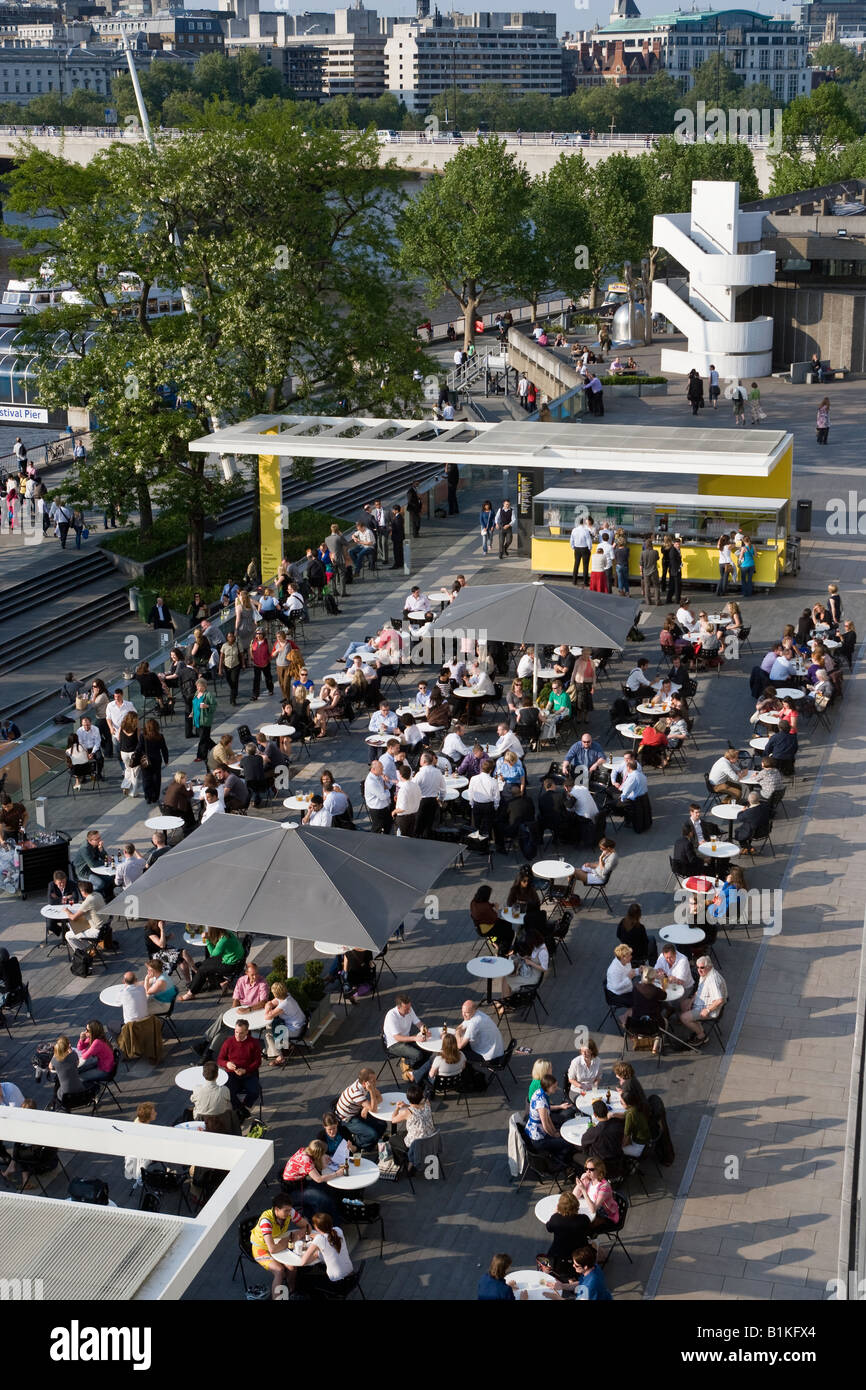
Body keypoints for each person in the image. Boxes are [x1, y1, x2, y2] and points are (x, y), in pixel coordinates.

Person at [250, 1197, 310, 1300]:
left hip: (278, 1243)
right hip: (261, 1249)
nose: (289, 1213)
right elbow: (272, 1249)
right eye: (286, 1211)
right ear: (276, 1209)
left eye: (290, 1210)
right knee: (279, 1270)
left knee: (292, 1267)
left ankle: (291, 1292)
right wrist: (289, 1239)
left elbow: (307, 1227)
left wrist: (297, 1235)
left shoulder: (290, 1211)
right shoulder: (266, 1221)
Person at [180, 927, 245, 999]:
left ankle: (191, 993)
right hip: (236, 961)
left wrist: (207, 940)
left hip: (231, 965)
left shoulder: (223, 941)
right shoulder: (227, 932)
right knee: (205, 964)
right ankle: (222, 982)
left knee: (203, 969)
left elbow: (213, 954)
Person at [525, 1073, 575, 1164]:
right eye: (554, 1087)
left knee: (560, 1133)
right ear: (547, 1087)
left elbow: (547, 1118)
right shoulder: (542, 1103)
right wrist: (553, 1134)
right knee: (568, 1143)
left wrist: (555, 1132)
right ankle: (559, 1159)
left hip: (534, 1131)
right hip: (539, 1139)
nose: (556, 1088)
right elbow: (545, 1124)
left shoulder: (539, 1092)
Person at [383, 994, 433, 1084]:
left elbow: (418, 1022)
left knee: (428, 1050)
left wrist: (424, 1030)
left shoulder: (409, 1009)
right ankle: (407, 1064)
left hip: (406, 1039)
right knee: (418, 1055)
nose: (409, 1010)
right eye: (406, 1009)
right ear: (398, 1008)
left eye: (409, 1007)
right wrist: (415, 1038)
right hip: (394, 1044)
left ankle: (415, 1072)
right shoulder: (391, 1016)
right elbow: (397, 1037)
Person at [334, 1067, 387, 1149]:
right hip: (347, 1119)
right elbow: (374, 1109)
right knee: (372, 1134)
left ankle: (373, 1143)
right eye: (373, 1081)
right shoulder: (356, 1092)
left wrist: (366, 1108)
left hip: (356, 1111)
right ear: (364, 1083)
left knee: (383, 1124)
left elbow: (380, 1098)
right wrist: (372, 1091)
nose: (375, 1082)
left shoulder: (364, 1085)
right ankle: (357, 1145)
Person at [217, 1019, 262, 1113]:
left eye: (241, 1033)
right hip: (232, 1074)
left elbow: (258, 1062)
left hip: (248, 1074)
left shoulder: (254, 1043)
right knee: (227, 1092)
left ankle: (244, 1106)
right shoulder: (228, 1042)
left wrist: (245, 1070)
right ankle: (240, 1109)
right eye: (236, 1032)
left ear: (247, 1031)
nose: (237, 1035)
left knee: (255, 1092)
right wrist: (227, 1064)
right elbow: (220, 1059)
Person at [679, 956, 727, 1043]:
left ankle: (701, 1036)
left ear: (709, 967)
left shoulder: (712, 980)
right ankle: (698, 1026)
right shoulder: (705, 974)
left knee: (684, 1017)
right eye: (697, 967)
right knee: (683, 1005)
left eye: (702, 967)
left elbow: (720, 1000)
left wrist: (707, 1010)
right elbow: (699, 990)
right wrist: (691, 1001)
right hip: (702, 1002)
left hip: (709, 1009)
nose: (699, 970)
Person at [264, 981, 306, 1065]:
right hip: (300, 1025)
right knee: (272, 1025)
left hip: (295, 1030)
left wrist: (268, 1008)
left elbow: (267, 1016)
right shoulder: (287, 995)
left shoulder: (284, 1004)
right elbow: (271, 1003)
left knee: (268, 1033)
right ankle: (284, 1046)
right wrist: (269, 1005)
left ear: (275, 994)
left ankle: (279, 1057)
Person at [455, 999, 504, 1068]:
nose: (464, 1015)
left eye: (466, 1012)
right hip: (497, 1052)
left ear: (474, 1010)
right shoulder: (477, 1014)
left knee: (455, 1051)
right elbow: (460, 1027)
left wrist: (457, 1034)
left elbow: (460, 1045)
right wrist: (459, 1032)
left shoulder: (474, 1023)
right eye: (463, 1012)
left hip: (490, 1057)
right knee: (462, 1043)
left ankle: (464, 1073)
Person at [76, 1019, 114, 1084]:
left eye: (87, 1030)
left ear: (93, 1032)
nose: (85, 1032)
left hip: (105, 1070)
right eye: (86, 1029)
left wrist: (85, 1050)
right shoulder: (95, 1037)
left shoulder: (97, 1042)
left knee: (79, 1076)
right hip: (101, 1064)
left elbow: (85, 1056)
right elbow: (80, 1048)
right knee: (79, 1070)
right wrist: (81, 1039)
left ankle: (94, 1089)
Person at [192, 678, 216, 763]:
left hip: (205, 720)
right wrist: (192, 713)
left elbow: (214, 706)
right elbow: (194, 704)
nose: (197, 688)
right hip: (197, 719)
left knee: (202, 739)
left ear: (204, 686)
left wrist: (207, 706)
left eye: (199, 686)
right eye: (197, 686)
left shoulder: (208, 695)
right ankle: (216, 748)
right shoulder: (196, 693)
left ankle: (201, 756)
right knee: (205, 737)